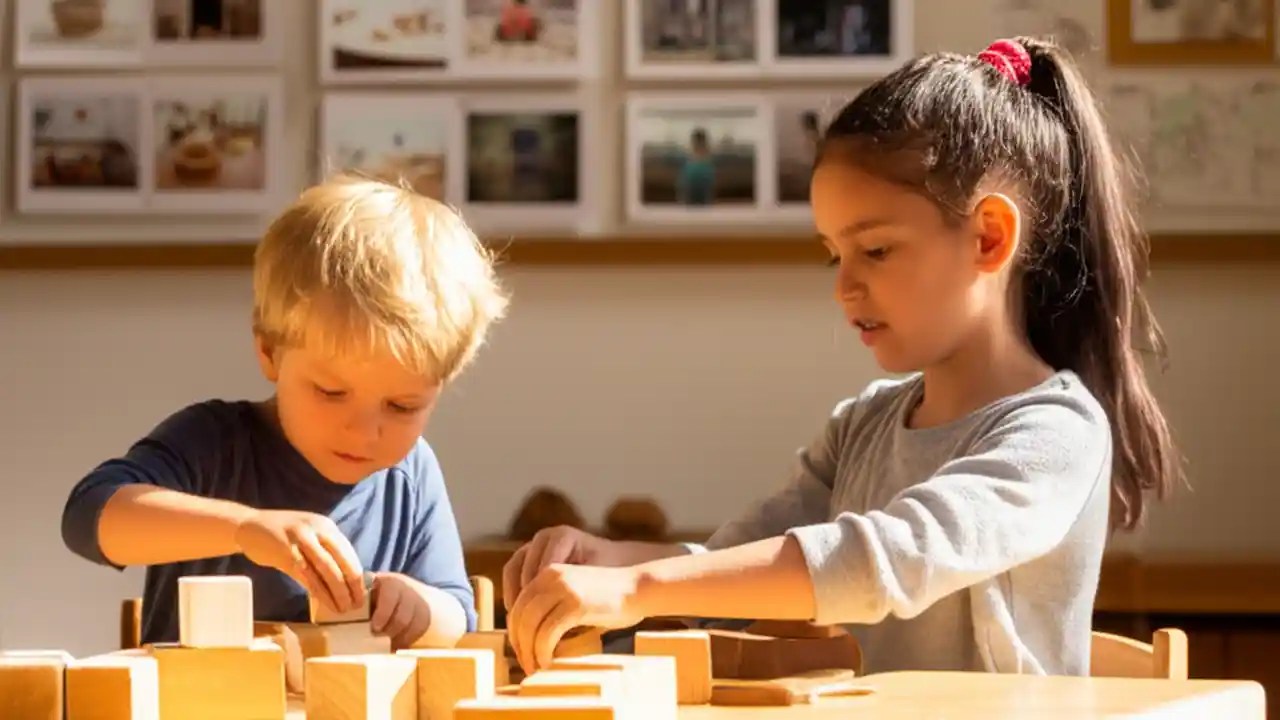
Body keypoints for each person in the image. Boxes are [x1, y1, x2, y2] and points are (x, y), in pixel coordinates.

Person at [500, 36, 1182, 676]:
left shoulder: (1055, 434)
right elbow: (731, 566)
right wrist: (616, 559)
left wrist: (638, 585)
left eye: (876, 250)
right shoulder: (862, 426)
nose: (843, 286)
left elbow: (879, 560)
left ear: (988, 237)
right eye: (834, 254)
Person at [61, 174, 509, 649]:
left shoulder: (411, 475)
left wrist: (420, 608)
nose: (363, 431)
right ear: (270, 353)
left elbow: (459, 614)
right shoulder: (214, 443)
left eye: (403, 406)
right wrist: (244, 528)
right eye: (331, 392)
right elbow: (87, 516)